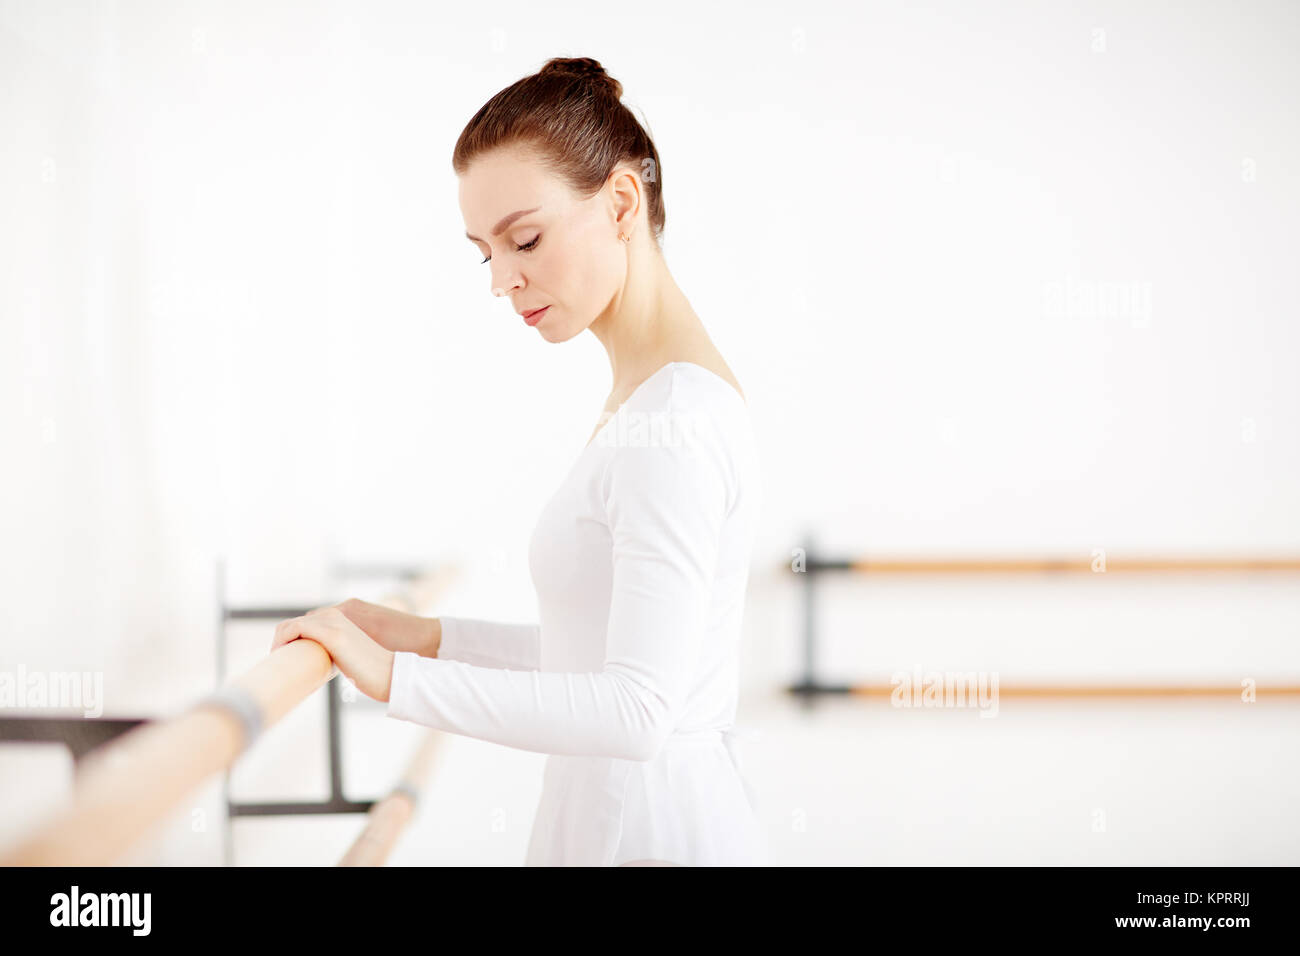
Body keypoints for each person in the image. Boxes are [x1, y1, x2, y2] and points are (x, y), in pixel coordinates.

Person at [271, 56, 767, 866]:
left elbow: (636, 710)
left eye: (524, 239)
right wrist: (427, 639)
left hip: (651, 832)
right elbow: (596, 653)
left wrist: (399, 682)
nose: (503, 279)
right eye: (484, 253)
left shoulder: (672, 420)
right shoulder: (654, 400)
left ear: (620, 203)